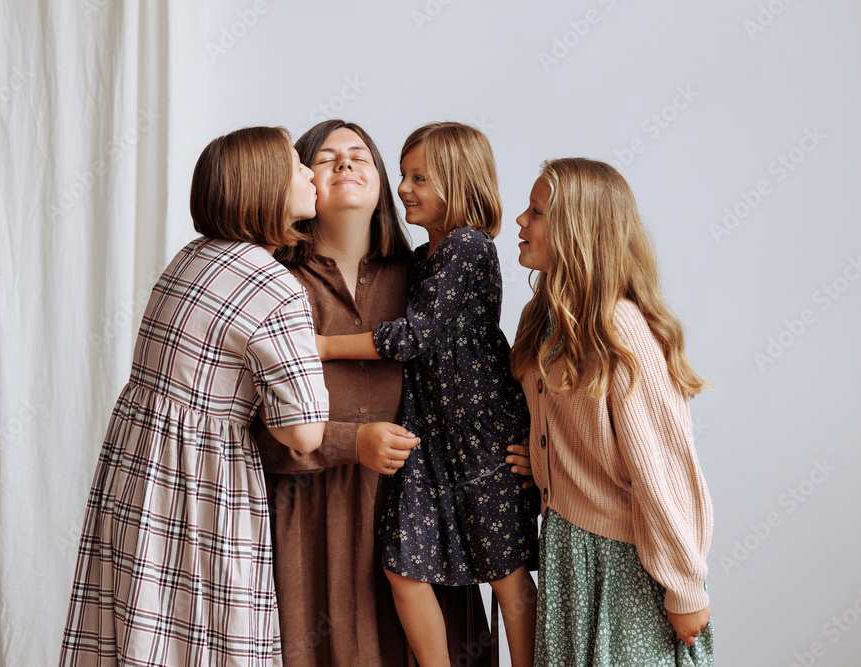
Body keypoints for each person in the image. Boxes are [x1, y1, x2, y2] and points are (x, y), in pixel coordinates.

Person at [59, 127, 330, 666]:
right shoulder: (274, 287)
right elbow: (304, 434)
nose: (307, 172)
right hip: (199, 484)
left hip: (136, 472)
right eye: (292, 166)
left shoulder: (189, 258)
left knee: (138, 628)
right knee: (207, 636)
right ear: (260, 186)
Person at [252, 120, 494, 666]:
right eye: (326, 157)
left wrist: (522, 448)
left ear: (384, 181)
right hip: (312, 519)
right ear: (300, 183)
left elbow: (481, 372)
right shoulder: (272, 282)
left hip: (426, 506)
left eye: (360, 154)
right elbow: (241, 429)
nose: (345, 164)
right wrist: (346, 441)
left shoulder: (429, 278)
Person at [317, 122, 539, 667]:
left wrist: (322, 344)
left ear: (459, 184)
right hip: (430, 434)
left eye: (419, 177)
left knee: (506, 576)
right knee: (402, 565)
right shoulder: (421, 258)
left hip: (482, 435)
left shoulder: (468, 246)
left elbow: (412, 336)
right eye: (402, 175)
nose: (403, 188)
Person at [508, 157, 714, 665]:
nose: (520, 221)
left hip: (623, 559)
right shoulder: (547, 319)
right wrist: (540, 465)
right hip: (567, 547)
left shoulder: (621, 331)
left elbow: (662, 471)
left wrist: (686, 588)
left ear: (576, 231)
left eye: (535, 212)